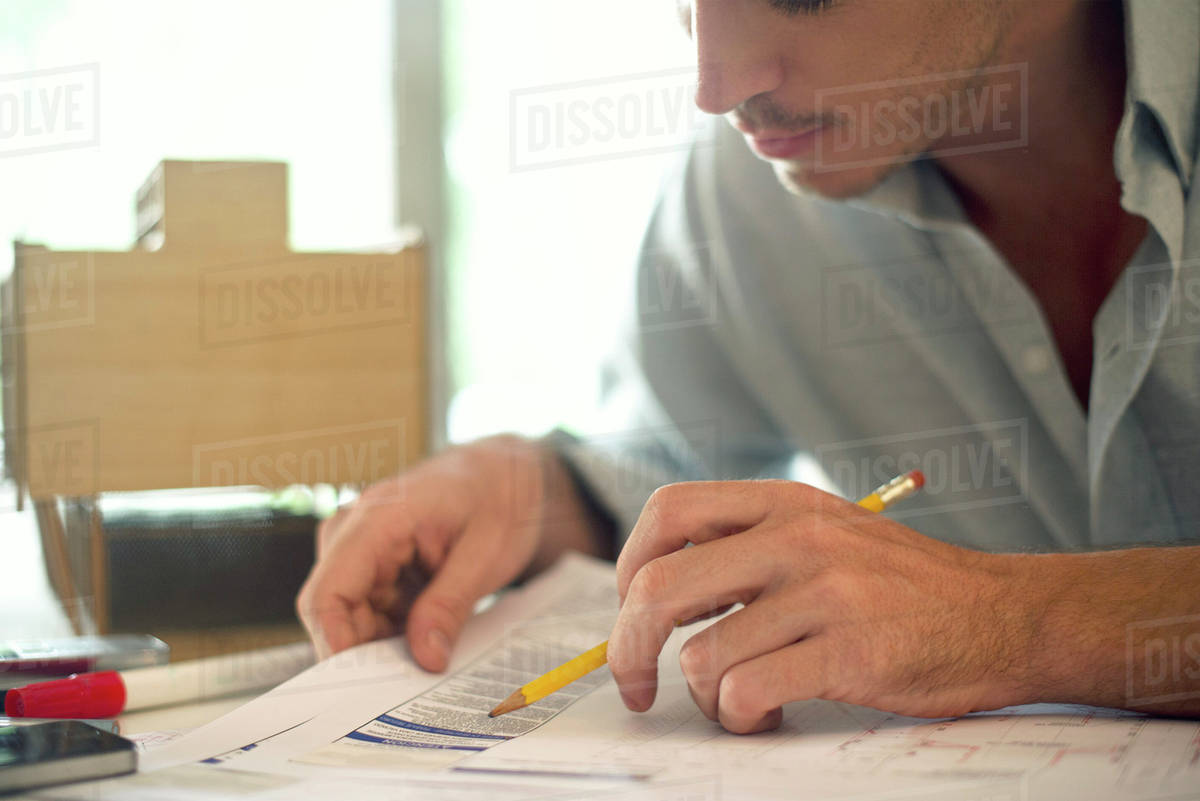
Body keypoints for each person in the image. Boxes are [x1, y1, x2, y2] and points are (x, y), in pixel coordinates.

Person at [298, 0, 1200, 733]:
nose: (714, 83)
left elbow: (991, 620)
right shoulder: (755, 184)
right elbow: (665, 465)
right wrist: (533, 488)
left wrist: (1002, 622)